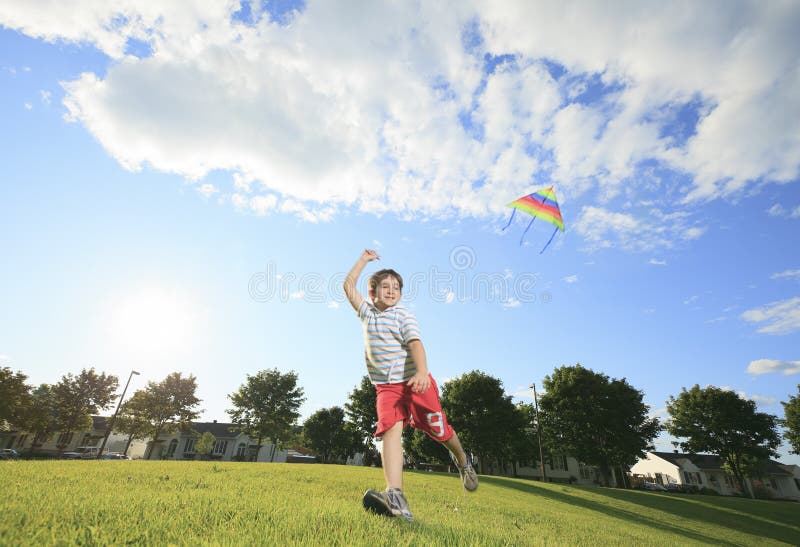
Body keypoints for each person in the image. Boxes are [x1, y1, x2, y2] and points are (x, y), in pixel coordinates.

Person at [344, 249, 478, 521]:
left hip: (415, 381)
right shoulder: (367, 313)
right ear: (373, 293)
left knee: (439, 429)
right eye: (385, 286)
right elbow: (347, 286)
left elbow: (416, 343)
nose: (391, 290)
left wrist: (422, 372)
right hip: (386, 387)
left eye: (396, 287)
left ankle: (463, 460)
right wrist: (363, 260)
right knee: (390, 431)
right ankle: (395, 495)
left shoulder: (404, 315)